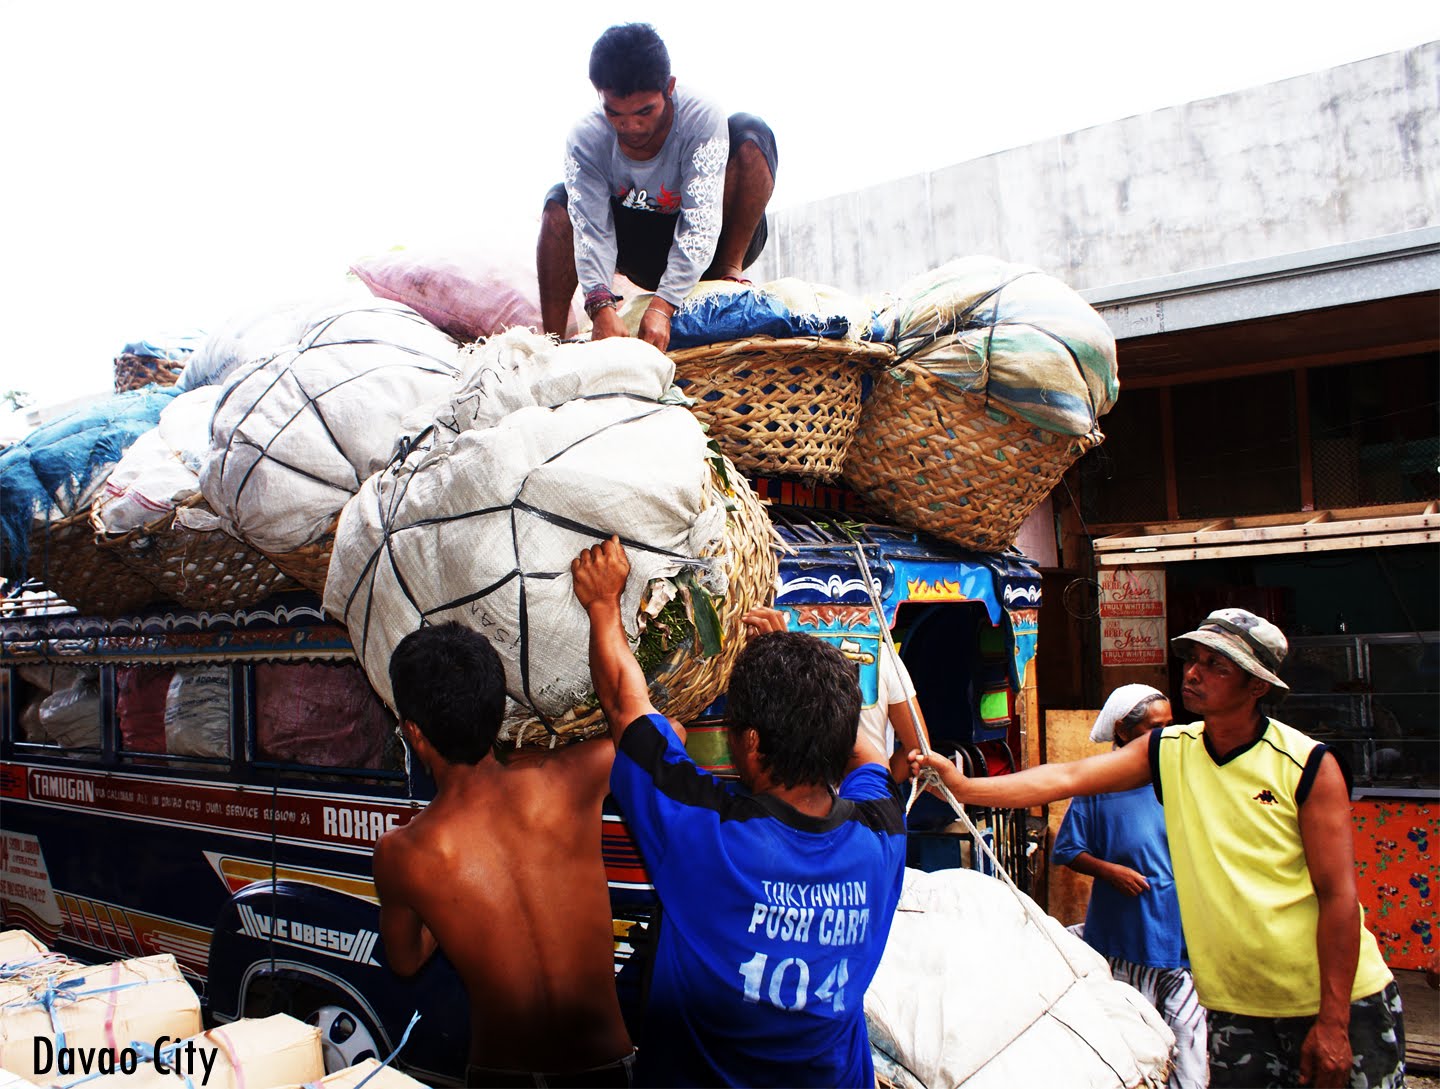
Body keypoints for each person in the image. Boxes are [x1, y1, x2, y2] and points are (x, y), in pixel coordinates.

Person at [912, 608, 1404, 1089]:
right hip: (1235, 1002)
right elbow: (1065, 777)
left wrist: (1335, 1021)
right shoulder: (1169, 749)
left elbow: (1338, 896)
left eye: (1216, 665)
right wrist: (966, 788)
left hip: (1331, 999)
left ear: (1257, 686)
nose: (1193, 673)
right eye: (1193, 659)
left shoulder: (1307, 765)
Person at [572, 536, 905, 1088]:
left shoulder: (707, 835)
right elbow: (866, 754)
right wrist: (798, 664)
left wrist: (603, 604)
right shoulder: (882, 837)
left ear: (749, 744)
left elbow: (623, 705)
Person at [372, 623, 634, 1088]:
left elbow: (406, 960)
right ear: (497, 716)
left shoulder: (403, 854)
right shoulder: (569, 779)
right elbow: (663, 731)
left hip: (504, 1076)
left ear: (414, 732)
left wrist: (445, 900)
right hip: (608, 1072)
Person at [537, 23, 778, 352]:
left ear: (669, 87)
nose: (630, 126)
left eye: (644, 111)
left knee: (751, 132)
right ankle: (553, 345)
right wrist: (600, 306)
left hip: (718, 236)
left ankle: (729, 274)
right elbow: (592, 231)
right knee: (559, 201)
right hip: (643, 253)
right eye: (615, 113)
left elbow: (702, 220)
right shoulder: (586, 138)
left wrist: (663, 306)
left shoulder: (701, 115)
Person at [1052, 684, 1207, 1089]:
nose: (1164, 737)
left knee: (1190, 1043)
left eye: (1170, 726)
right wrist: (1110, 871)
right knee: (1136, 1044)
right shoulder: (1099, 787)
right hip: (1127, 939)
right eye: (1153, 728)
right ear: (1123, 730)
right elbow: (1068, 850)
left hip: (1180, 939)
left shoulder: (1181, 777)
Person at [859, 647, 932, 782]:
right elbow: (917, 748)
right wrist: (881, 786)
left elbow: (917, 748)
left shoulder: (883, 653)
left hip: (811, 796)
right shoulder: (881, 652)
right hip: (871, 794)